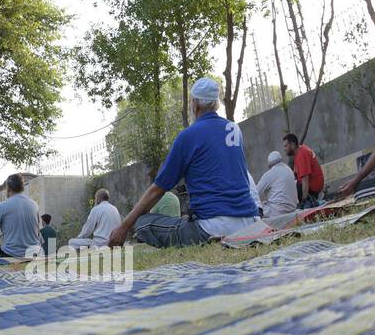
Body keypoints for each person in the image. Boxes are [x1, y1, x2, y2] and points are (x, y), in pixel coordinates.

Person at [111, 78, 260, 248]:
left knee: (143, 223)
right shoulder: (234, 129)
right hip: (249, 223)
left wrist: (123, 226)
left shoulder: (188, 136)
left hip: (212, 228)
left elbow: (158, 190)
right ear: (216, 104)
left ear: (195, 104)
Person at [282, 133, 324, 207]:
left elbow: (305, 180)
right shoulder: (300, 150)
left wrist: (304, 200)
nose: (284, 149)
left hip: (312, 188)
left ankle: (307, 202)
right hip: (310, 185)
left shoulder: (302, 155)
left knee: (288, 194)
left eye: (286, 146)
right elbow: (296, 173)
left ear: (292, 145)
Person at [256, 150, 298, 218]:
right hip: (292, 209)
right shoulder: (289, 170)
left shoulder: (270, 174)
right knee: (265, 203)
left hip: (277, 212)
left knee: (257, 207)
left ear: (269, 165)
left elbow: (255, 193)